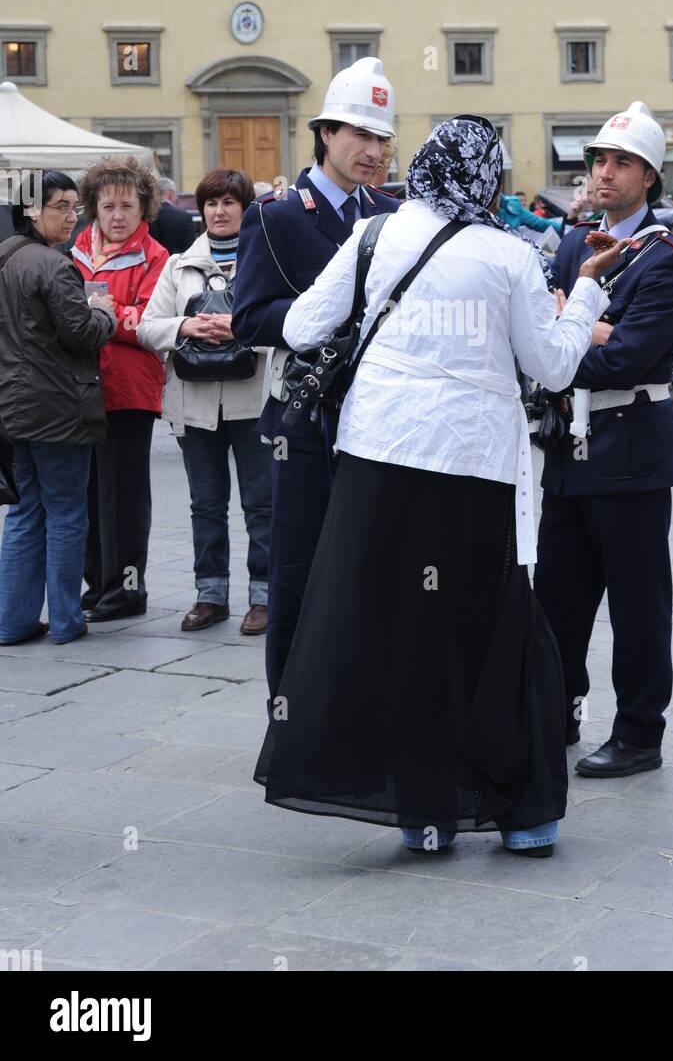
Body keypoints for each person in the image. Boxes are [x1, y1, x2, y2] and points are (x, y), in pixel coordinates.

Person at [254, 116, 625, 857]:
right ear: (487, 175)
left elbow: (298, 327)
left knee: (395, 632)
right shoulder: (508, 254)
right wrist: (584, 295)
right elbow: (551, 367)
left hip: (376, 458)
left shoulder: (371, 237)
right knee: (493, 630)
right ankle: (524, 813)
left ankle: (423, 812)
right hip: (471, 468)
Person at [533, 101, 673, 775]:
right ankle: (555, 709)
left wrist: (578, 327)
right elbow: (539, 339)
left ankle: (637, 733)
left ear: (649, 176)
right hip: (568, 443)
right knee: (556, 596)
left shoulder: (666, 256)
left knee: (636, 604)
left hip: (630, 444)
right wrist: (584, 329)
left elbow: (627, 358)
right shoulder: (574, 242)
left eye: (620, 163)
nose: (604, 173)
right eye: (599, 160)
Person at [232, 57, 399, 696]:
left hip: (379, 414)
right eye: (359, 134)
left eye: (382, 138)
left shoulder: (390, 212)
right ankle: (291, 713)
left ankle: (356, 707)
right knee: (298, 573)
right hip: (307, 418)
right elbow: (249, 319)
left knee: (371, 570)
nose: (372, 150)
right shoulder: (277, 215)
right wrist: (323, 317)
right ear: (326, 133)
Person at [138, 169, 272, 634]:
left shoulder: (266, 260)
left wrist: (242, 329)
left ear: (245, 209)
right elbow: (147, 327)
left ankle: (264, 597)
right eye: (211, 203)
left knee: (261, 504)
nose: (219, 211)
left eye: (229, 202)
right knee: (206, 503)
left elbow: (286, 326)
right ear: (202, 210)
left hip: (253, 401)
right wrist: (185, 327)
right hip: (194, 405)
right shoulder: (179, 266)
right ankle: (210, 595)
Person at [0, 171, 116, 645]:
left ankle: (14, 622)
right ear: (32, 209)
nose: (73, 217)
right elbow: (82, 334)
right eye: (62, 207)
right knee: (67, 513)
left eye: (75, 207)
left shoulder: (5, 257)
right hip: (59, 407)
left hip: (14, 408)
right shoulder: (53, 265)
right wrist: (104, 311)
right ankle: (67, 621)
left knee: (27, 513)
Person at [73, 158, 168, 621]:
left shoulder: (156, 257)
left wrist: (106, 316)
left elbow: (150, 321)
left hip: (130, 390)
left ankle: (127, 591)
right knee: (89, 494)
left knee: (124, 498)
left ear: (144, 208)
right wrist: (112, 313)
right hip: (79, 391)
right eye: (107, 204)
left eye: (127, 205)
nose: (117, 215)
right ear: (92, 207)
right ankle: (97, 586)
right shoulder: (76, 251)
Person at [148, 177, 197, 255]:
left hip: (154, 264)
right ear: (170, 194)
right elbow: (190, 249)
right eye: (175, 193)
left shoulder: (147, 215)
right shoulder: (184, 216)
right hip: (178, 264)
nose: (176, 197)